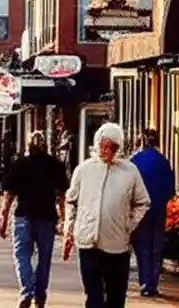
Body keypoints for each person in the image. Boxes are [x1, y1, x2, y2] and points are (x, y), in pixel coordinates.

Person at [63, 123, 150, 308]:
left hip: (117, 245)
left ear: (118, 148)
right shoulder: (84, 170)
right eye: (103, 145)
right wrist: (69, 230)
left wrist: (129, 223)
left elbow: (143, 202)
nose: (106, 151)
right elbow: (71, 200)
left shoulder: (130, 172)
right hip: (88, 242)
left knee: (115, 298)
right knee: (93, 297)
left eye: (111, 147)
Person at [0, 131, 68, 308]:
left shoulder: (19, 164)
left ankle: (26, 291)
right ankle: (40, 294)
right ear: (46, 145)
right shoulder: (54, 165)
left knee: (22, 255)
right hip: (46, 217)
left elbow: (9, 194)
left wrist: (3, 217)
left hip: (23, 216)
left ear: (28, 146)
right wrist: (64, 219)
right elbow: (61, 195)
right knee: (44, 258)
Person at [129, 128, 175, 297]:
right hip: (158, 208)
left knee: (142, 246)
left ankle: (145, 281)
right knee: (156, 246)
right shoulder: (163, 161)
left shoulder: (135, 161)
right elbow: (170, 189)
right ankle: (153, 282)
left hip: (141, 210)